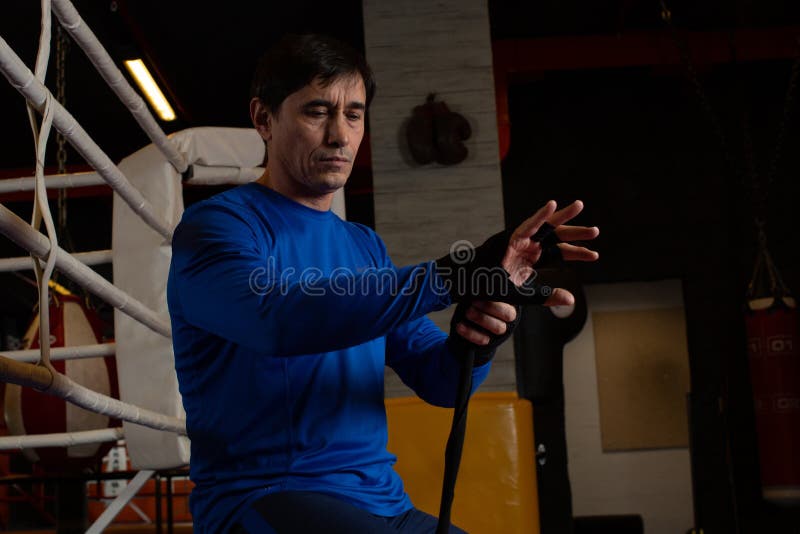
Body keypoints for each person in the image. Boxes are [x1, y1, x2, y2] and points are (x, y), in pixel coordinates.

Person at [167, 34, 599, 533]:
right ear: (264, 119)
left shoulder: (363, 246)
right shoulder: (219, 227)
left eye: (354, 114)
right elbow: (275, 320)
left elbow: (437, 381)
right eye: (316, 112)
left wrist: (475, 338)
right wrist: (452, 274)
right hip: (265, 498)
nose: (340, 136)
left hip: (382, 503)